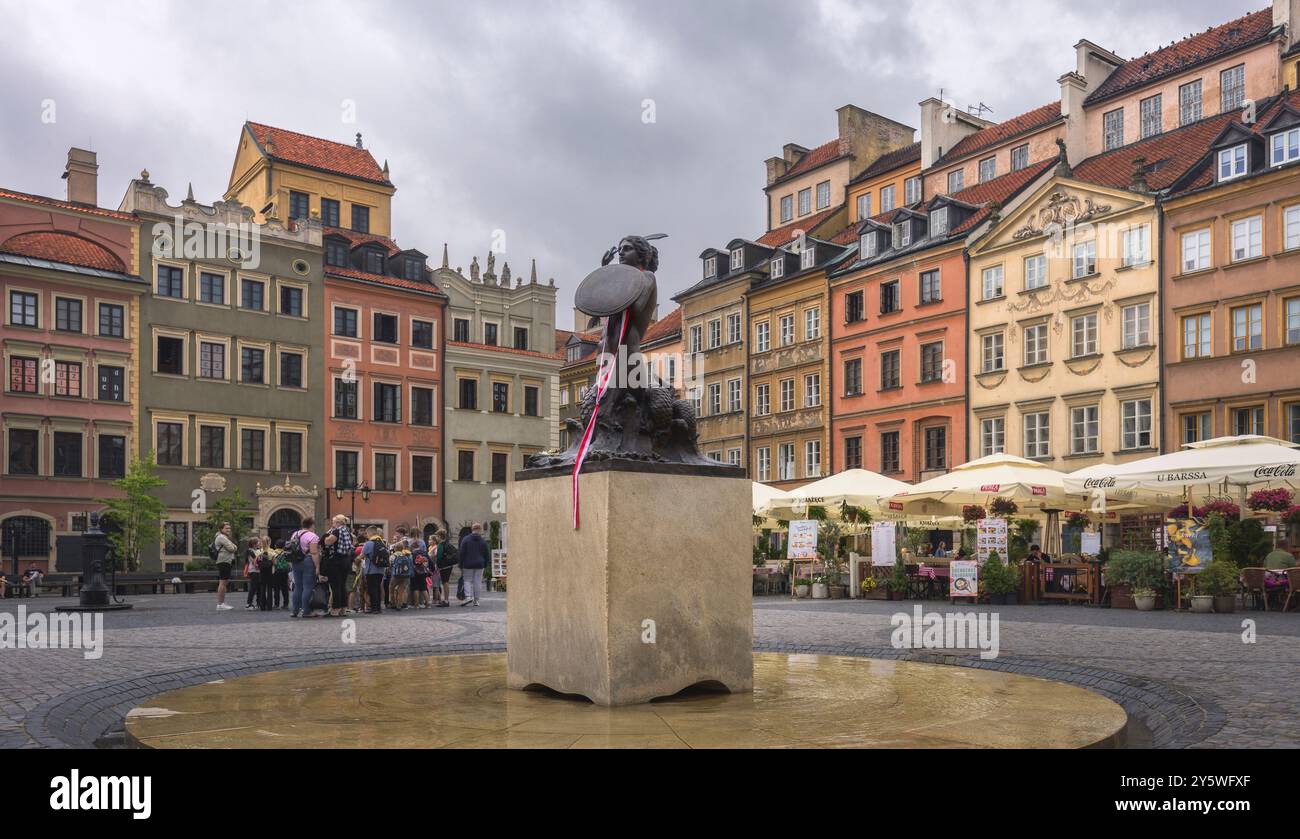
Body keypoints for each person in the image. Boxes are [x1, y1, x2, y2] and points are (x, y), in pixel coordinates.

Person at [322, 515, 355, 617]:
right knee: (342, 585)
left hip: (336, 561)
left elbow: (328, 542)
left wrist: (325, 537)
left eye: (333, 522)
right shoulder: (348, 533)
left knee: (335, 586)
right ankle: (343, 609)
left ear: (338, 522)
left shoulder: (336, 531)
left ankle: (335, 609)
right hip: (345, 561)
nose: (332, 524)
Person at [289, 517, 322, 618]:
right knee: (307, 586)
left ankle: (295, 611)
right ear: (311, 525)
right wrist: (317, 566)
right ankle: (306, 611)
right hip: (307, 561)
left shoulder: (295, 534)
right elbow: (314, 552)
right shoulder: (313, 536)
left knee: (298, 586)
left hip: (296, 561)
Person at [458, 523, 489, 607]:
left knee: (467, 580)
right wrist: (485, 564)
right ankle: (476, 600)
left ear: (472, 529)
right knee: (477, 582)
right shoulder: (483, 541)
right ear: (480, 530)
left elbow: (461, 552)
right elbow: (487, 554)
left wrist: (460, 564)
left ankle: (468, 597)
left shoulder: (466, 539)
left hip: (467, 563)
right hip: (480, 564)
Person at [361, 526, 389, 614]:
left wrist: (356, 559)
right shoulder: (382, 542)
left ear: (370, 533)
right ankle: (378, 607)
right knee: (377, 588)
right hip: (381, 570)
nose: (366, 535)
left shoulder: (369, 543)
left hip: (371, 570)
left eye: (366, 533)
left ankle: (374, 608)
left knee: (372, 589)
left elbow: (362, 555)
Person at [213, 523, 238, 611]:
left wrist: (233, 547)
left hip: (226, 561)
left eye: (229, 528)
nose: (228, 530)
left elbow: (233, 547)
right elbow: (232, 548)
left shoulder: (224, 537)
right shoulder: (221, 537)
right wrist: (234, 547)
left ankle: (221, 603)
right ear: (221, 529)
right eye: (226, 528)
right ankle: (220, 604)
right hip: (224, 561)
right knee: (223, 583)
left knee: (224, 582)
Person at [433, 529, 456, 607]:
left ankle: (446, 600)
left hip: (444, 567)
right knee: (445, 582)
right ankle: (446, 599)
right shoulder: (447, 544)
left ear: (439, 536)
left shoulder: (440, 545)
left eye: (437, 536)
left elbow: (439, 557)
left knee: (445, 583)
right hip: (448, 565)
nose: (436, 537)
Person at [244, 536, 262, 611]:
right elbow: (253, 561)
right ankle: (248, 604)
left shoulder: (258, 550)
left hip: (258, 571)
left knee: (259, 588)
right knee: (253, 588)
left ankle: (259, 603)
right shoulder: (250, 551)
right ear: (254, 544)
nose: (259, 543)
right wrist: (258, 566)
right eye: (258, 542)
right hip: (253, 571)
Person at [271, 541, 291, 609]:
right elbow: (289, 563)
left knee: (276, 588)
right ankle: (286, 604)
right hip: (284, 572)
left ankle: (276, 604)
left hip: (276, 571)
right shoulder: (285, 553)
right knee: (284, 588)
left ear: (276, 546)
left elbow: (273, 562)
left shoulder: (273, 552)